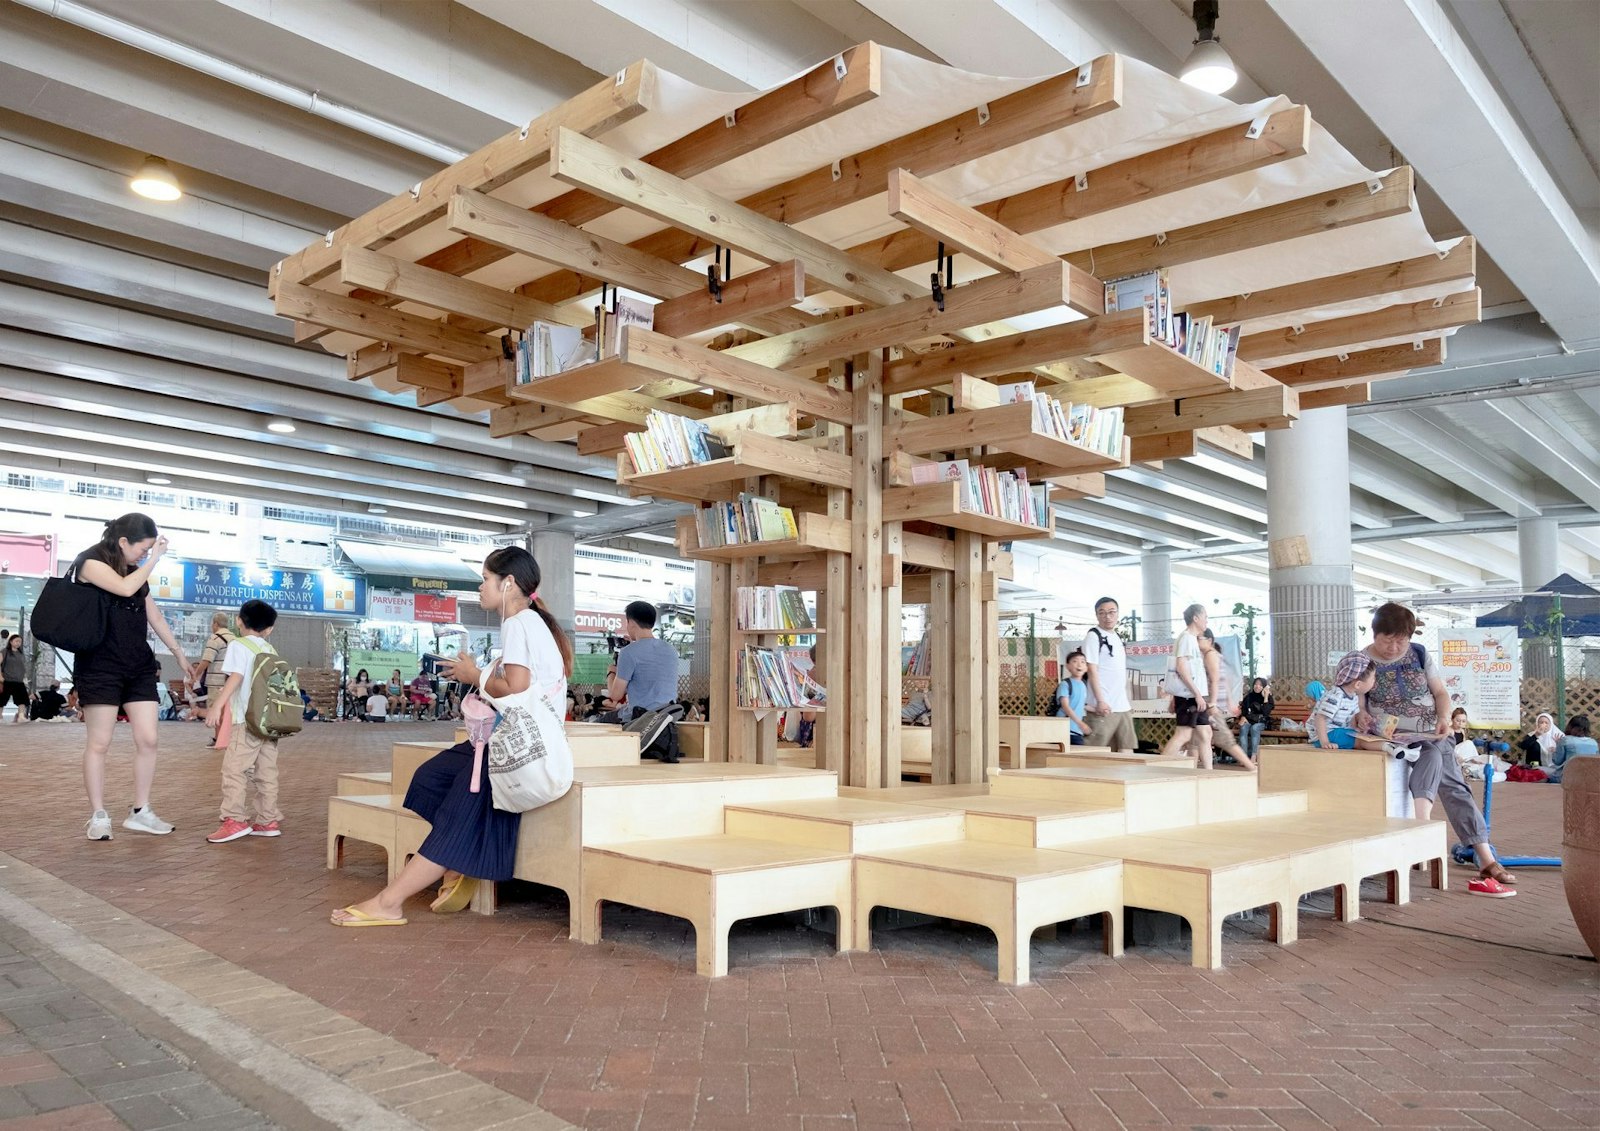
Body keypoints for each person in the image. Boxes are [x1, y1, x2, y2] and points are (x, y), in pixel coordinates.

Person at [331, 546, 571, 926]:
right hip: (495, 739)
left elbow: (517, 687)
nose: (480, 587)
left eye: (486, 579)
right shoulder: (530, 623)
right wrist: (476, 671)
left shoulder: (518, 622)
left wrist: (474, 677)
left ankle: (390, 901)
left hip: (507, 746)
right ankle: (460, 862)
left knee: (462, 808)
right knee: (431, 778)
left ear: (508, 583)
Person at [1360, 601, 1517, 897]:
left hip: (1432, 732)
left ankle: (1483, 856)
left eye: (1401, 640)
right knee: (1435, 767)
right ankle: (1440, 840)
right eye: (1387, 640)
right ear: (1374, 634)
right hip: (1390, 737)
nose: (1394, 647)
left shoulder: (1419, 653)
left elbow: (1440, 692)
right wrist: (1362, 716)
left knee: (1453, 785)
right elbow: (1357, 702)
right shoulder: (1360, 660)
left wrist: (1444, 719)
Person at [73, 513, 194, 841]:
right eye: (143, 548)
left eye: (150, 549)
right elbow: (125, 588)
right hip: (100, 665)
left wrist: (179, 653)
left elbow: (152, 613)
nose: (146, 553)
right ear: (123, 541)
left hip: (138, 664)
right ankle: (98, 815)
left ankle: (141, 811)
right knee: (100, 742)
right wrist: (155, 559)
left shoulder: (136, 571)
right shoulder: (89, 562)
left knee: (149, 739)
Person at [205, 600, 285, 843]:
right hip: (269, 723)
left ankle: (234, 820)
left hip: (246, 720)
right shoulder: (271, 650)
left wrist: (217, 705)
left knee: (234, 770)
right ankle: (267, 819)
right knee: (266, 772)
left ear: (239, 621)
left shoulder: (239, 645)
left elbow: (236, 677)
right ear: (269, 629)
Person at [1080, 597, 1136, 752]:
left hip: (1121, 706)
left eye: (1112, 612)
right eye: (1102, 613)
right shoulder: (1093, 636)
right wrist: (1100, 701)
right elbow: (1092, 670)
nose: (1108, 616)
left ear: (1118, 614)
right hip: (1103, 705)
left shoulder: (1116, 637)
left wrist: (1127, 700)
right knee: (1094, 751)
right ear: (1096, 615)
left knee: (1126, 749)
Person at [605, 601, 679, 716]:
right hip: (668, 715)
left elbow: (615, 695)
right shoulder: (671, 650)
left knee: (599, 719)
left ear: (631, 622)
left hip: (641, 717)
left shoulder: (628, 653)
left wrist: (611, 673)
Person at [1196, 629, 1253, 770]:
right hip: (1213, 703)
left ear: (1209, 640)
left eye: (1199, 638)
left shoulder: (1210, 655)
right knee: (1198, 738)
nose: (1196, 642)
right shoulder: (1215, 655)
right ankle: (1205, 770)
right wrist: (1229, 701)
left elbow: (1215, 680)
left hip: (1212, 704)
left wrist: (1213, 703)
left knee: (1225, 740)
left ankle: (1252, 767)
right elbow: (1225, 680)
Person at [1161, 604, 1210, 758]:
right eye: (1205, 617)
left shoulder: (1191, 639)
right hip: (1190, 696)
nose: (1207, 621)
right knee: (1183, 735)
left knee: (1206, 734)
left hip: (1196, 695)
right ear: (1195, 618)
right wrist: (1197, 694)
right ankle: (1156, 769)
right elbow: (1181, 668)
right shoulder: (1187, 638)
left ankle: (1208, 775)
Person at [193, 611, 235, 748]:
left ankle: (219, 739)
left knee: (216, 711)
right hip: (232, 681)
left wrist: (195, 675)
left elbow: (206, 660)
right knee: (228, 712)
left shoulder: (215, 639)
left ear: (215, 624)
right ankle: (228, 739)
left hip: (216, 681)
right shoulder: (235, 639)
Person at [1054, 649, 1089, 746]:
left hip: (1076, 730)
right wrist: (1080, 723)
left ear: (1086, 667)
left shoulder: (1083, 685)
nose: (1079, 664)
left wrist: (1097, 709)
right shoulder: (1065, 684)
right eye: (1075, 661)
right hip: (1063, 730)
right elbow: (1065, 706)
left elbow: (1082, 705)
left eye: (1082, 662)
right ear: (1068, 666)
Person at [1548, 716, 1596, 784]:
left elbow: (1557, 761)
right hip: (1589, 778)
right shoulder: (1593, 742)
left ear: (1570, 726)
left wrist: (1557, 747)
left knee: (1544, 772)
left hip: (1568, 777)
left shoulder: (1565, 740)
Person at [1239, 677, 1274, 761]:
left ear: (1264, 687)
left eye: (1260, 685)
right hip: (1249, 720)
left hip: (1261, 722)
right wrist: (1243, 717)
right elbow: (1244, 710)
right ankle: (1243, 757)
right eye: (1256, 684)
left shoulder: (1268, 698)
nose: (1257, 686)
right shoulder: (1249, 696)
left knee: (1254, 728)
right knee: (1243, 728)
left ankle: (1254, 755)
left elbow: (1265, 713)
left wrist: (1265, 697)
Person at [2, 633, 29, 724]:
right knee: (2, 700)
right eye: (16, 641)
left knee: (23, 700)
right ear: (10, 642)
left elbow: (23, 667)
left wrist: (25, 678)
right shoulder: (5, 652)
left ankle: (21, 716)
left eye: (20, 642)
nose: (18, 643)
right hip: (7, 680)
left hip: (19, 681)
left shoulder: (21, 654)